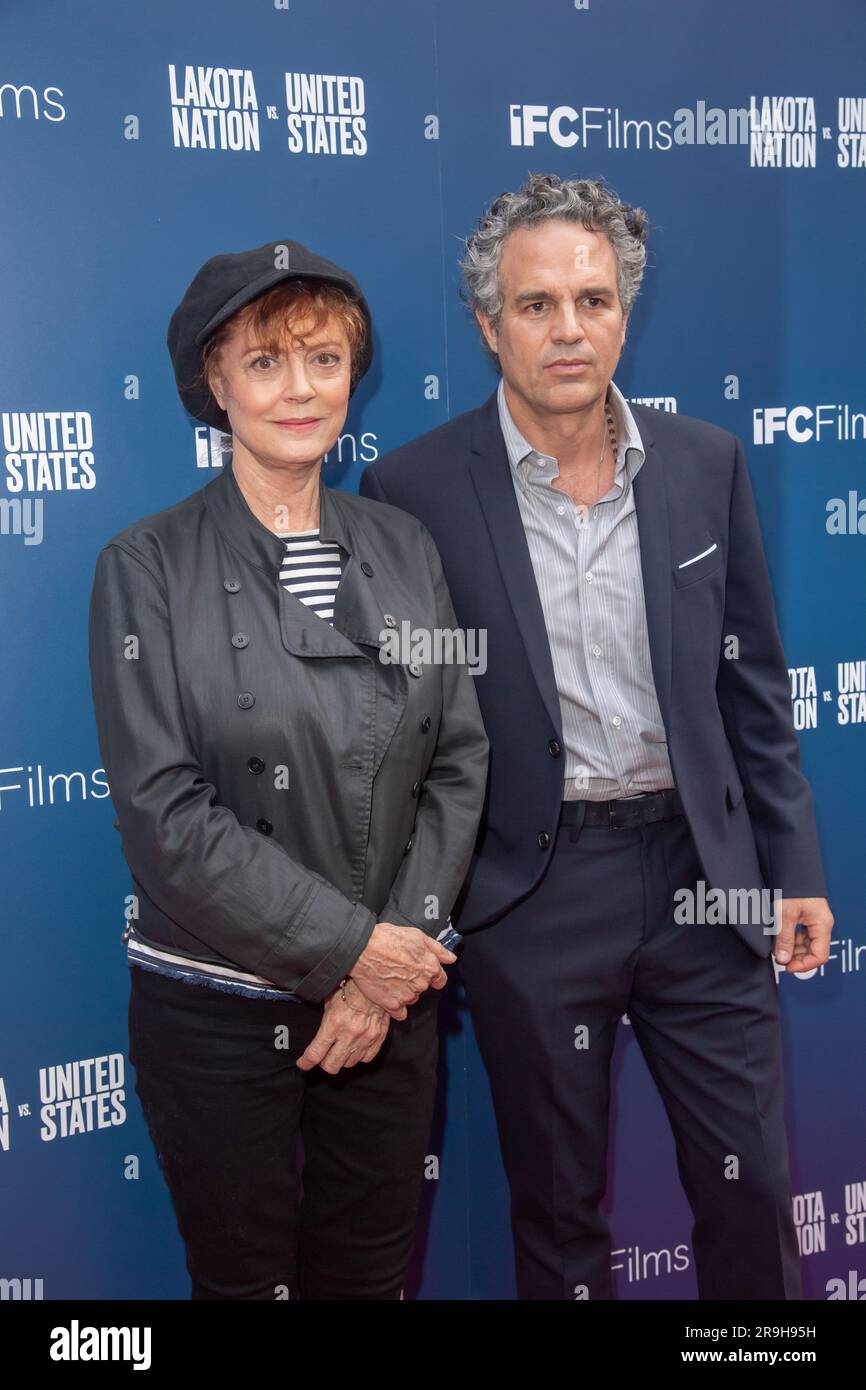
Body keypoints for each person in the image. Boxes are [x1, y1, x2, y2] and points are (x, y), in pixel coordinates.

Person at [359, 174, 834, 1300]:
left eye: (591, 298)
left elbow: (751, 689)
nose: (567, 328)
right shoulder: (413, 486)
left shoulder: (704, 463)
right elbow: (401, 728)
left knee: (752, 1187)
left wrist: (792, 868)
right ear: (487, 325)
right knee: (557, 1210)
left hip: (702, 881)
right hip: (531, 888)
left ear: (624, 309)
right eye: (534, 305)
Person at [87, 238, 489, 1300]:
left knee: (371, 1276)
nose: (299, 388)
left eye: (322, 358)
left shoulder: (405, 547)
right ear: (211, 384)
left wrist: (388, 966)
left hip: (393, 1006)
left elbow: (457, 755)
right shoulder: (146, 567)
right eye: (263, 363)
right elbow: (162, 810)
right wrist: (351, 953)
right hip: (219, 1010)